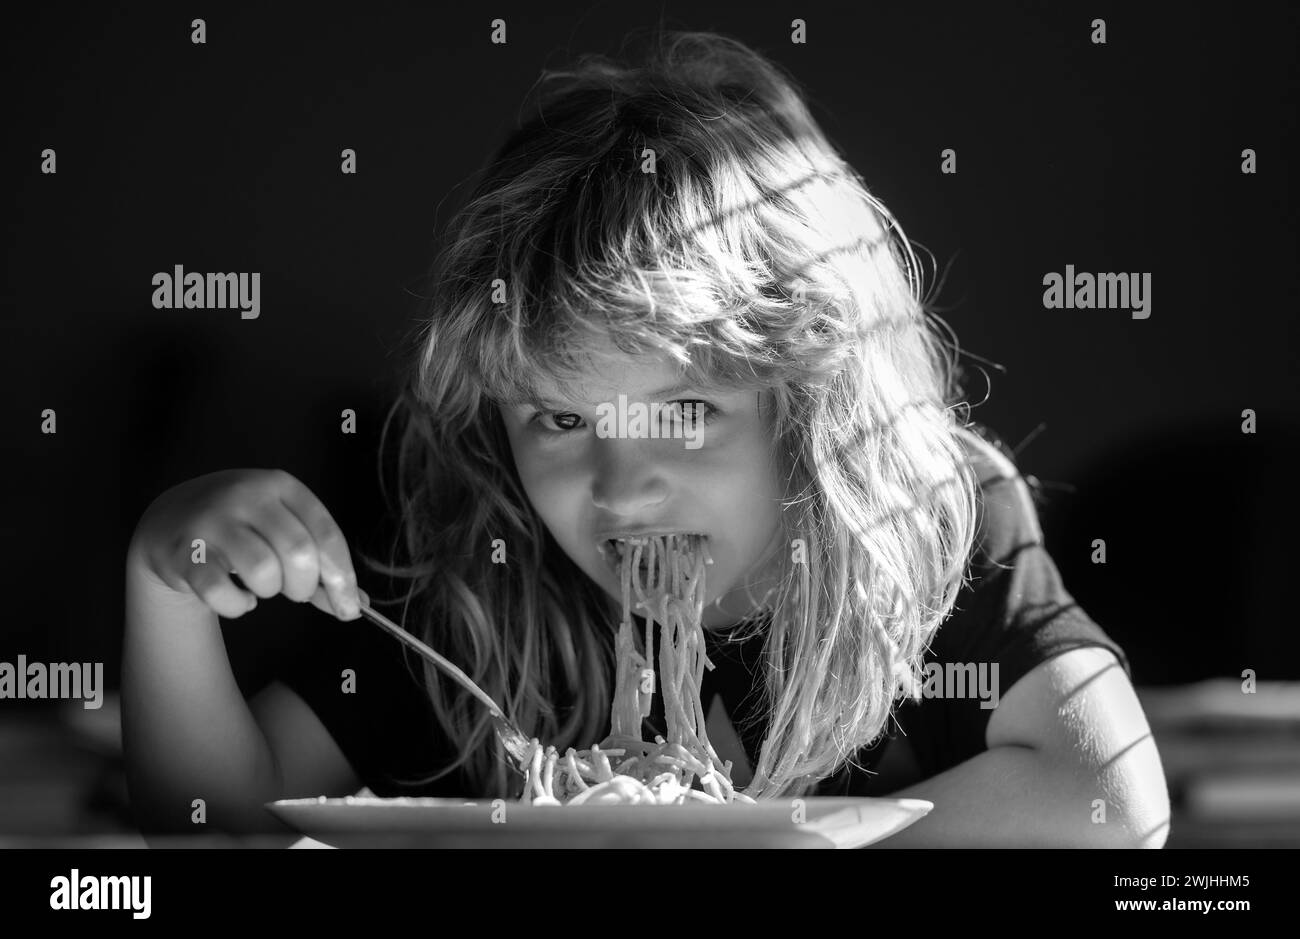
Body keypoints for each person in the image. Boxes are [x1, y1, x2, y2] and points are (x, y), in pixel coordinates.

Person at [122, 30, 1169, 846]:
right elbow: (225, 817)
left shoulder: (928, 525)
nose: (619, 489)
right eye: (560, 420)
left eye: (683, 414)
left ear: (812, 403)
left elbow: (1113, 803)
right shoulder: (491, 567)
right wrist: (166, 592)